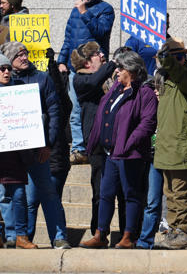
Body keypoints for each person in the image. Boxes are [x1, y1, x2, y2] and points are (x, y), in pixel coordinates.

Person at [79, 51, 157, 249]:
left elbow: (147, 123)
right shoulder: (116, 89)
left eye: (121, 68)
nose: (117, 71)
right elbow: (103, 115)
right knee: (105, 193)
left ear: (131, 70)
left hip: (130, 154)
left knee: (131, 194)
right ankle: (100, 234)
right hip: (110, 153)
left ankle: (128, 237)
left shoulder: (144, 92)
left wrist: (128, 143)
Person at [0, 41, 70, 249]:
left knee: (47, 191)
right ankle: (15, 236)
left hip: (38, 148)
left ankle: (58, 236)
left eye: (25, 54)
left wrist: (47, 143)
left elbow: (55, 112)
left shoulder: (42, 78)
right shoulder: (7, 83)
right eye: (18, 55)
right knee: (12, 195)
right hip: (11, 152)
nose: (24, 57)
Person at [152, 38, 187, 250]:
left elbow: (181, 76)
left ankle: (182, 232)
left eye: (178, 57)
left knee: (181, 193)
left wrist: (169, 61)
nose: (175, 62)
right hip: (169, 146)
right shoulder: (167, 80)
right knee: (171, 194)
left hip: (184, 146)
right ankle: (174, 231)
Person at [57, 0, 115, 165]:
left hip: (96, 69)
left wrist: (84, 12)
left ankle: (96, 144)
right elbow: (68, 37)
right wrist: (62, 60)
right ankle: (79, 148)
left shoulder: (105, 9)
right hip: (76, 68)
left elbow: (101, 31)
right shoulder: (75, 11)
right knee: (75, 109)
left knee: (97, 108)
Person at [71, 41, 123, 238]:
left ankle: (128, 233)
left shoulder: (108, 77)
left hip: (117, 141)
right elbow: (94, 82)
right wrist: (112, 64)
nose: (102, 56)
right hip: (97, 143)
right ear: (86, 62)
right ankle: (99, 232)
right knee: (100, 190)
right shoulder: (80, 80)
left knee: (121, 191)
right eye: (97, 54)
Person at [0, 52, 37, 249]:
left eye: (8, 69)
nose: (6, 72)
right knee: (3, 197)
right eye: (2, 69)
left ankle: (22, 236)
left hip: (16, 155)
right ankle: (10, 235)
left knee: (19, 196)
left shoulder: (20, 92)